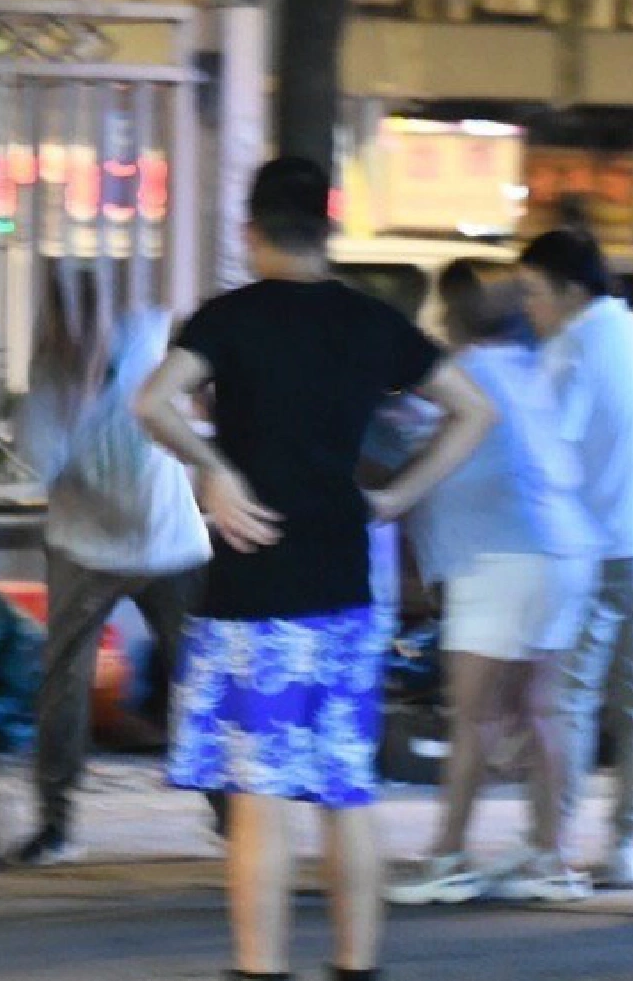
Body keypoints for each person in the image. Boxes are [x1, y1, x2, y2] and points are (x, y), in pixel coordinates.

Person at [135, 157, 499, 981]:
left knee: (261, 797)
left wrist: (215, 468)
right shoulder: (372, 322)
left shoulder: (226, 318)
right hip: (345, 579)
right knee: (344, 787)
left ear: (250, 229)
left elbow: (152, 401)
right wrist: (397, 496)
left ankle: (261, 969)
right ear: (329, 229)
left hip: (255, 580)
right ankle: (354, 967)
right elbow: (476, 409)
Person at [379, 261, 600, 907]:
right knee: (541, 708)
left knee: (471, 715)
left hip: (500, 557)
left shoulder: (460, 375)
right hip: (565, 549)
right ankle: (550, 856)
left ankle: (449, 854)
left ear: (451, 313)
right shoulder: (532, 370)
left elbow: (396, 445)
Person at [517, 230, 633, 891]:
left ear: (570, 290)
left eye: (533, 292)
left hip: (597, 546)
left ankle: (554, 846)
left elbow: (548, 453)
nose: (530, 308)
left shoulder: (571, 349)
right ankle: (630, 845)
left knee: (571, 700)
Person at [8, 276, 212, 866]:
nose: (83, 339)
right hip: (84, 550)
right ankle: (55, 824)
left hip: (172, 544)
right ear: (50, 336)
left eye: (91, 322)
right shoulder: (46, 398)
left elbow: (194, 350)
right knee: (64, 681)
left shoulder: (145, 340)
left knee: (202, 672)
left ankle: (230, 813)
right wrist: (71, 407)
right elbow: (41, 468)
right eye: (65, 328)